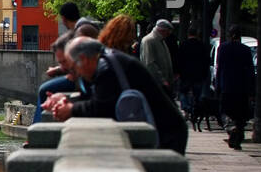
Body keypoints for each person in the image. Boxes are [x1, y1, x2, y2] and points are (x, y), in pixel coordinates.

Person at [49, 36, 189, 154]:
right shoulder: (108, 60)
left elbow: (101, 107)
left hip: (166, 134)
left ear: (83, 59)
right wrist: (67, 102)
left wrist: (71, 109)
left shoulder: (107, 68)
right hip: (164, 130)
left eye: (74, 68)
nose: (76, 73)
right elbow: (99, 98)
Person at [31, 22, 99, 124]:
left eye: (65, 62)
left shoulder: (103, 71)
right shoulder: (88, 73)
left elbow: (102, 105)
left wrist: (71, 108)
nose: (67, 68)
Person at [215, 24, 254, 150]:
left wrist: (218, 86)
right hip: (241, 88)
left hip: (227, 86)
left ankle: (232, 130)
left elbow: (219, 68)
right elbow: (250, 71)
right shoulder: (246, 50)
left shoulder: (223, 48)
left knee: (226, 111)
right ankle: (237, 136)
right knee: (240, 115)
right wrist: (251, 90)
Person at [175, 26, 211, 116]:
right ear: (197, 34)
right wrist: (204, 73)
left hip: (185, 74)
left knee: (183, 91)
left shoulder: (183, 45)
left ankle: (186, 108)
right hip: (198, 74)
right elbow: (206, 61)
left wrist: (178, 72)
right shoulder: (202, 46)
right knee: (197, 94)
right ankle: (195, 109)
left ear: (188, 34)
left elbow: (178, 60)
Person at [139, 18, 175, 93]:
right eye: (168, 32)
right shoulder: (149, 40)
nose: (168, 35)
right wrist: (162, 80)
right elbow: (150, 63)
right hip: (156, 84)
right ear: (162, 30)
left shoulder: (160, 41)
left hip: (162, 84)